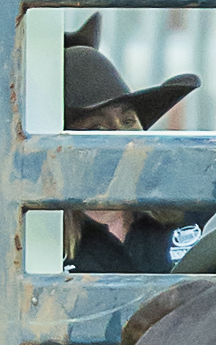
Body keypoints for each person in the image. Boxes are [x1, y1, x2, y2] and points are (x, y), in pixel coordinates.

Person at [60, 18, 204, 274]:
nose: (123, 138)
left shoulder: (190, 207)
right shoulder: (42, 241)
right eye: (97, 129)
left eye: (128, 121)